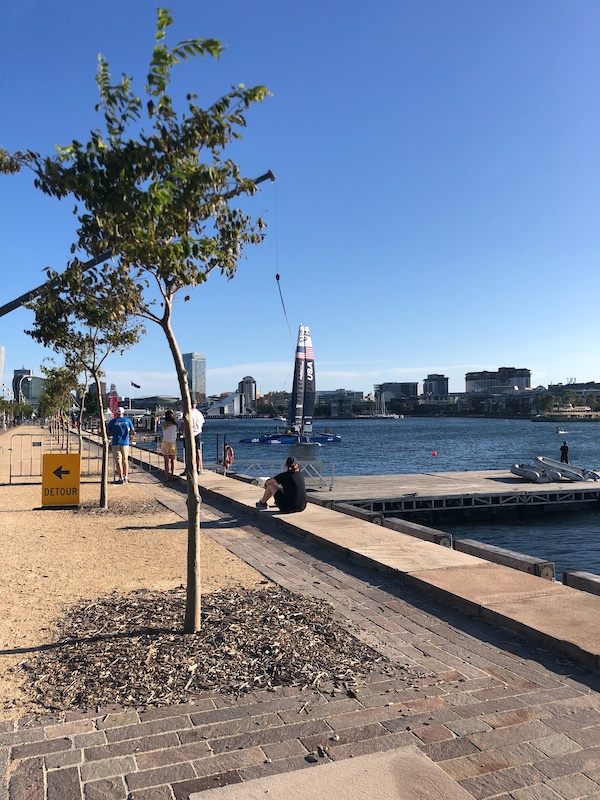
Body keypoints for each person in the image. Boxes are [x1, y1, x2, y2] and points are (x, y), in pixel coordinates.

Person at [106, 407, 135, 484]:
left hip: (116, 442)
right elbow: (132, 431)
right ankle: (126, 477)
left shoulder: (113, 421)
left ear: (116, 413)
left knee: (118, 461)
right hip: (125, 443)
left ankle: (121, 478)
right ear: (123, 413)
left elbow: (108, 431)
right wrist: (131, 436)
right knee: (125, 460)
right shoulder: (128, 421)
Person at [182, 401, 205, 475]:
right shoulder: (199, 414)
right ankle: (198, 468)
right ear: (196, 404)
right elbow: (202, 424)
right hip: (198, 433)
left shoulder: (187, 413)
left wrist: (181, 430)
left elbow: (183, 425)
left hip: (188, 434)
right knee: (198, 451)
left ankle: (188, 469)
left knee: (187, 452)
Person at [161, 409, 179, 481]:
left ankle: (167, 476)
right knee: (173, 460)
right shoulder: (174, 425)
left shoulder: (163, 425)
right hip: (172, 443)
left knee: (166, 461)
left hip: (164, 442)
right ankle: (172, 475)